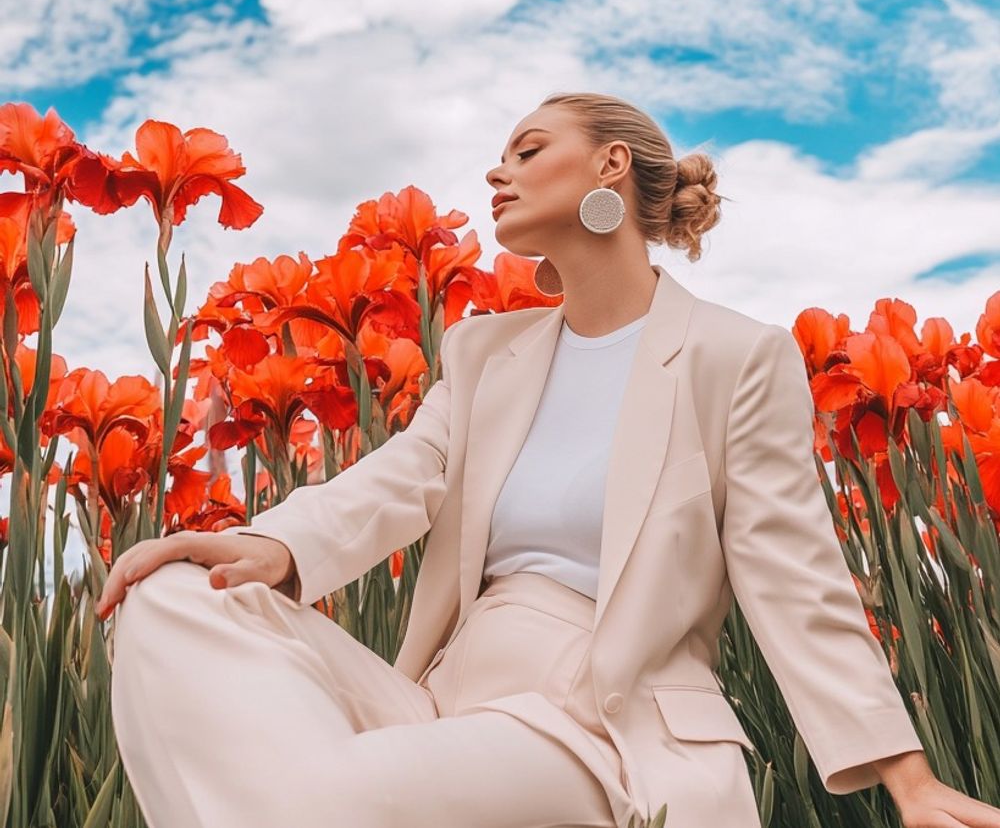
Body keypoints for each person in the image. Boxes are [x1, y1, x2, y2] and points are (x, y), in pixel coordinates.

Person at [99, 91, 1000, 828]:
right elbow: (405, 475)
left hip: (599, 724)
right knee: (169, 604)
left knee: (331, 797)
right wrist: (278, 547)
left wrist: (907, 779)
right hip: (441, 703)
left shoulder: (735, 357)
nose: (498, 170)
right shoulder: (487, 350)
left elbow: (795, 575)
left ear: (612, 165)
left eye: (528, 150)